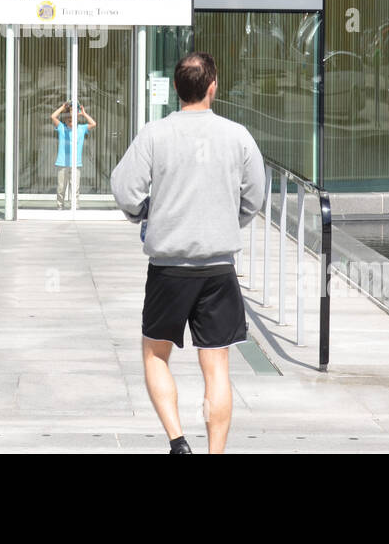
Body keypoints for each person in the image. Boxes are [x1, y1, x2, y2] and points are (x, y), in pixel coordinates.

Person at [110, 52, 265, 454]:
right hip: (218, 267)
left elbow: (125, 190)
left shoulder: (155, 134)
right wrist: (227, 222)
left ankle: (178, 441)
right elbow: (256, 197)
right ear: (213, 87)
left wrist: (146, 213)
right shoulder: (237, 135)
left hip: (169, 268)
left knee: (155, 353)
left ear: (176, 89)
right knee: (217, 367)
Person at [50, 100, 96, 210]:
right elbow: (53, 117)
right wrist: (62, 107)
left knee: (75, 187)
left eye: (73, 120)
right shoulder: (62, 128)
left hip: (76, 163)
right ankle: (60, 206)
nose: (71, 122)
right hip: (62, 163)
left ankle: (74, 207)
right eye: (69, 120)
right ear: (65, 121)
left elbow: (93, 123)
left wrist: (84, 113)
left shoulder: (81, 128)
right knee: (61, 187)